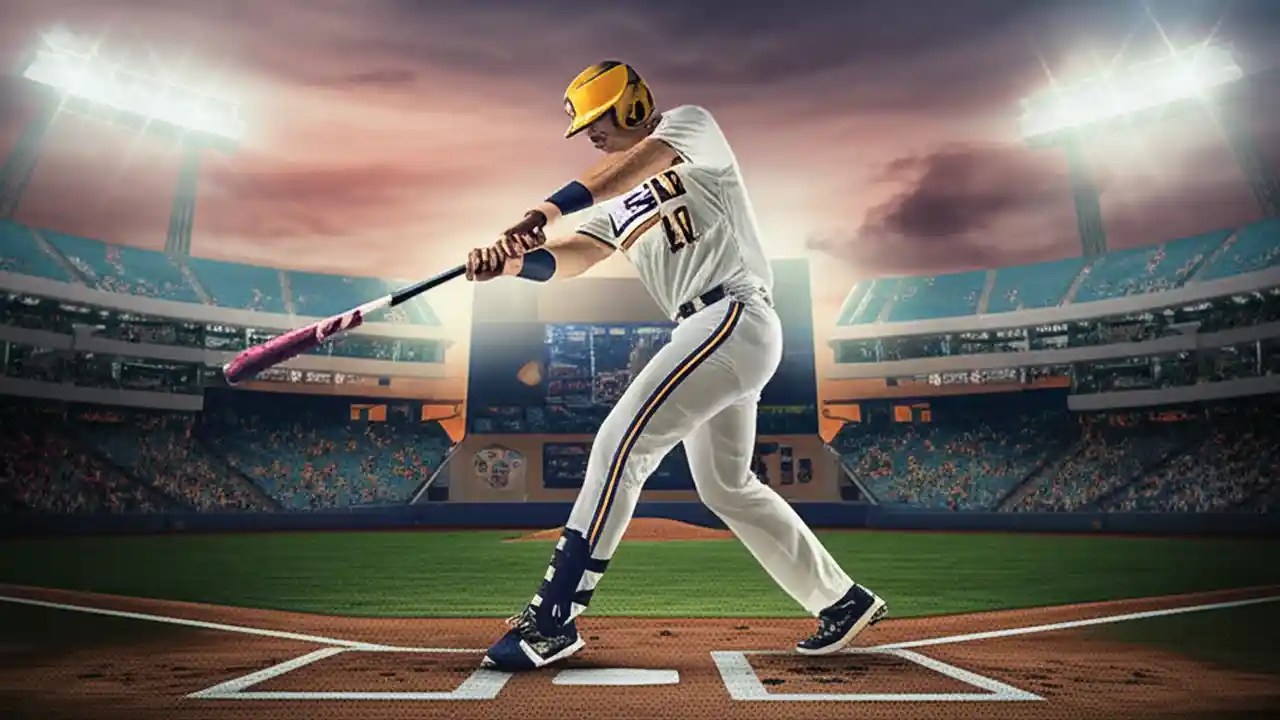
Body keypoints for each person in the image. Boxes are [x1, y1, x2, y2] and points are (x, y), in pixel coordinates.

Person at [465, 61, 886, 671]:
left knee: (621, 444)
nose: (591, 134)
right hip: (711, 332)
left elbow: (631, 166)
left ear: (633, 107)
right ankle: (842, 600)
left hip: (731, 313)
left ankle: (554, 617)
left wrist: (543, 212)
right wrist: (508, 264)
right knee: (726, 486)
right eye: (584, 126)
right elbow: (575, 256)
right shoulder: (617, 201)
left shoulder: (690, 128)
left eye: (598, 119)